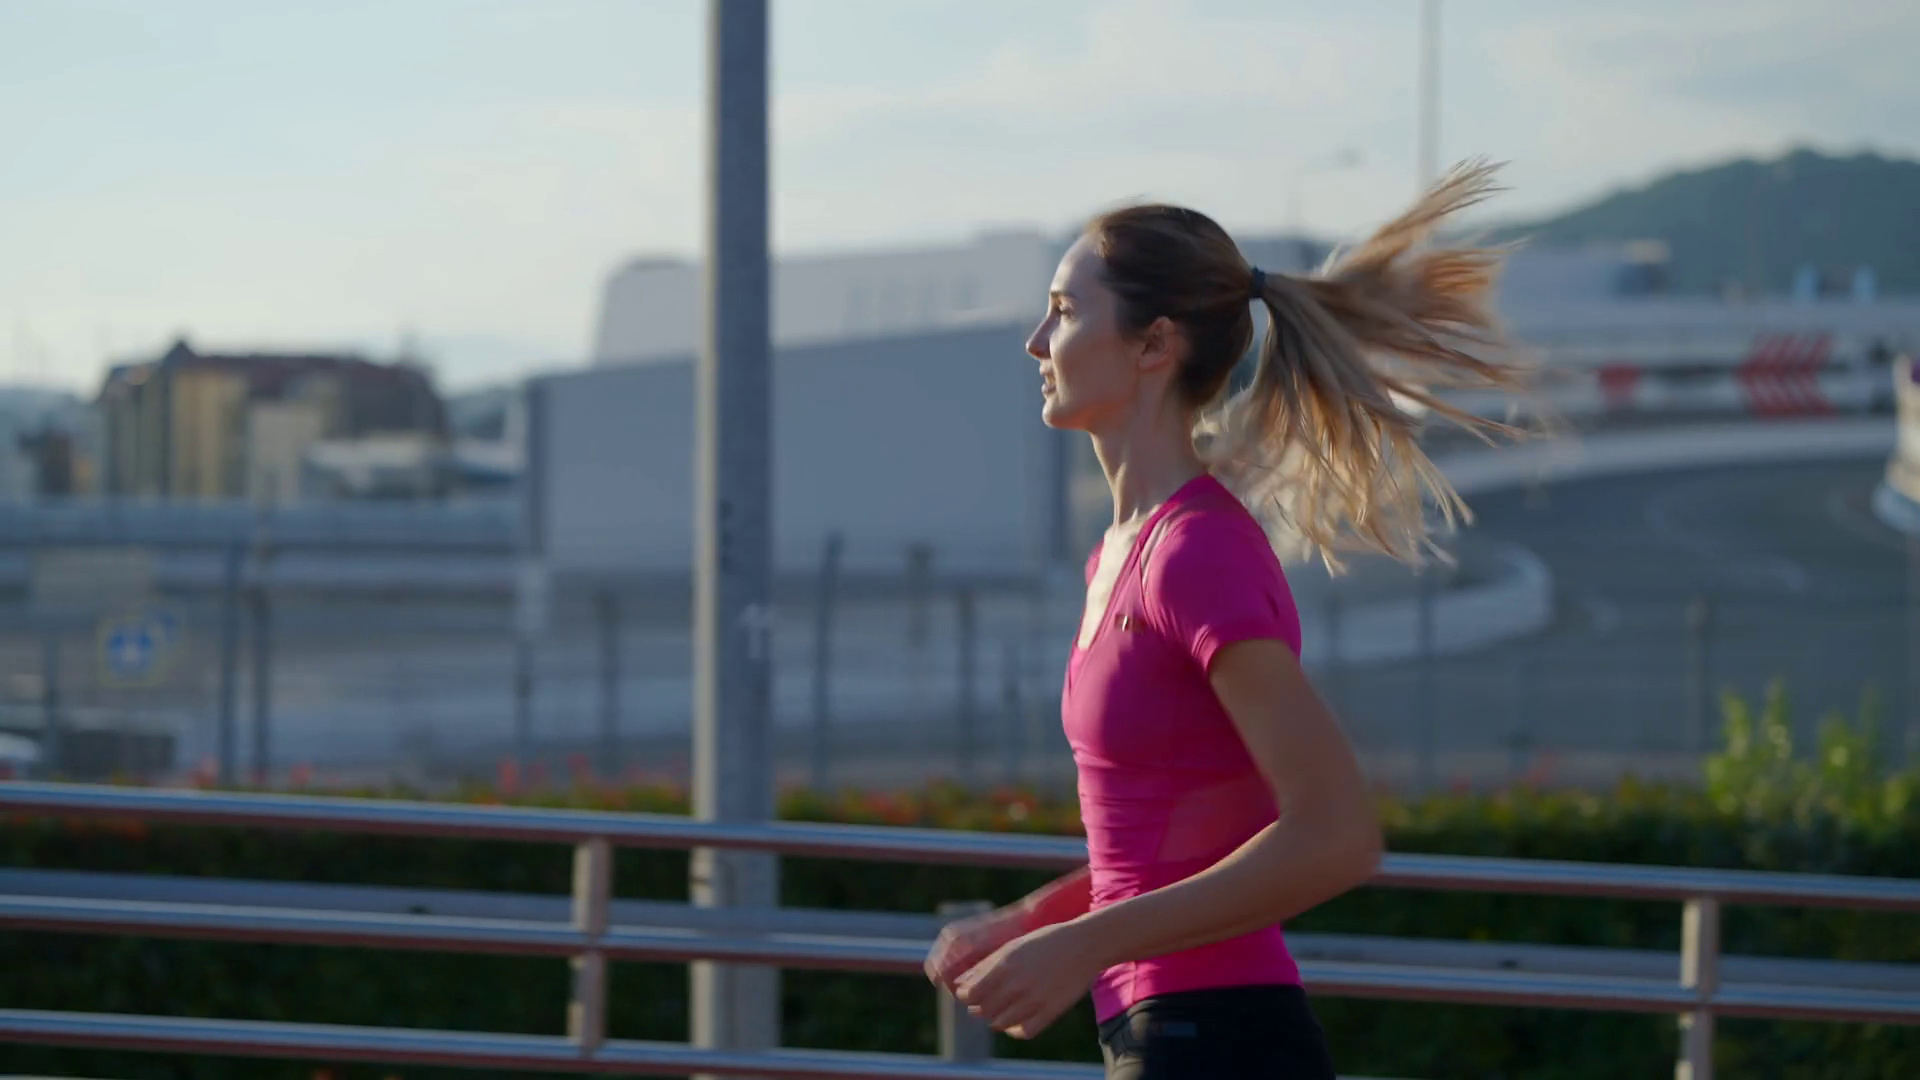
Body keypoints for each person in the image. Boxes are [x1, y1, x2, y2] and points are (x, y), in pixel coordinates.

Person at [922, 160, 1536, 1078]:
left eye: (1063, 309)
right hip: (1166, 1037)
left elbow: (1335, 835)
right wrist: (1035, 922)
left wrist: (1085, 944)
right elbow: (1171, 848)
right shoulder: (1123, 551)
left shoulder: (1196, 553)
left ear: (1151, 345)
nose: (1036, 340)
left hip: (1217, 1039)